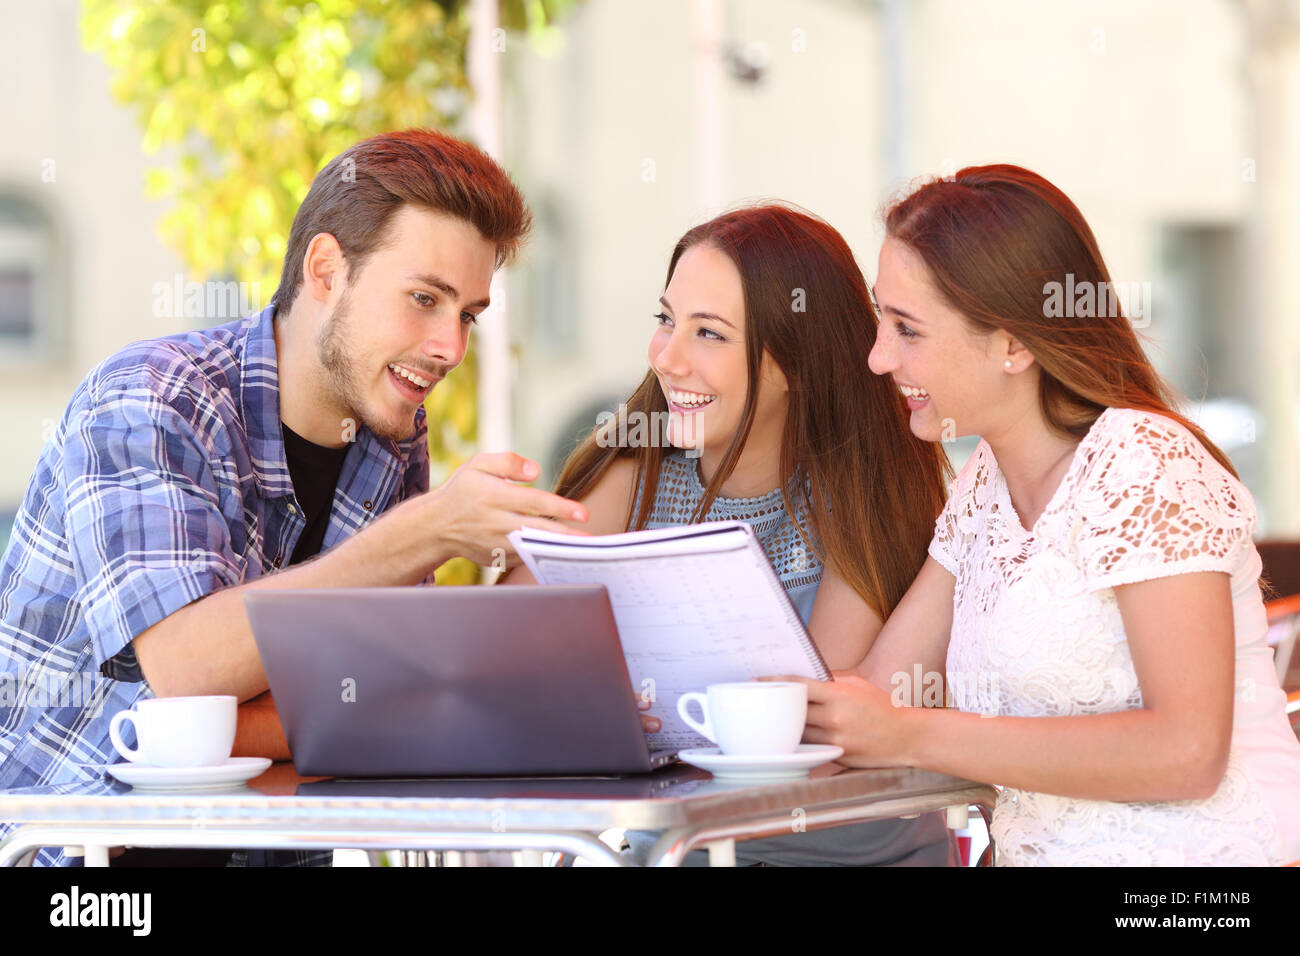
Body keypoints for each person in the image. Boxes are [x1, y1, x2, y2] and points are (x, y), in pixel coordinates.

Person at [0, 128, 589, 866]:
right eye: (423, 299)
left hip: (264, 846)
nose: (450, 348)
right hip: (77, 859)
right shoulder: (151, 399)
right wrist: (424, 533)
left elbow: (389, 696)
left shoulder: (388, 428)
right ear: (324, 270)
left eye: (466, 314)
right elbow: (186, 672)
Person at [788, 164, 1300, 866]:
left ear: (1014, 344)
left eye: (907, 328)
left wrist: (911, 733)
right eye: (883, 318)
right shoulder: (984, 486)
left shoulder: (1143, 462)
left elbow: (1187, 753)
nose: (878, 357)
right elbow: (879, 695)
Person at [507, 203, 958, 865]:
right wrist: (583, 709)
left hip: (840, 851)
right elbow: (505, 653)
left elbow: (806, 733)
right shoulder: (638, 470)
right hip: (673, 843)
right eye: (666, 321)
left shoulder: (859, 492)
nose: (668, 357)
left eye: (709, 334)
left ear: (795, 364)